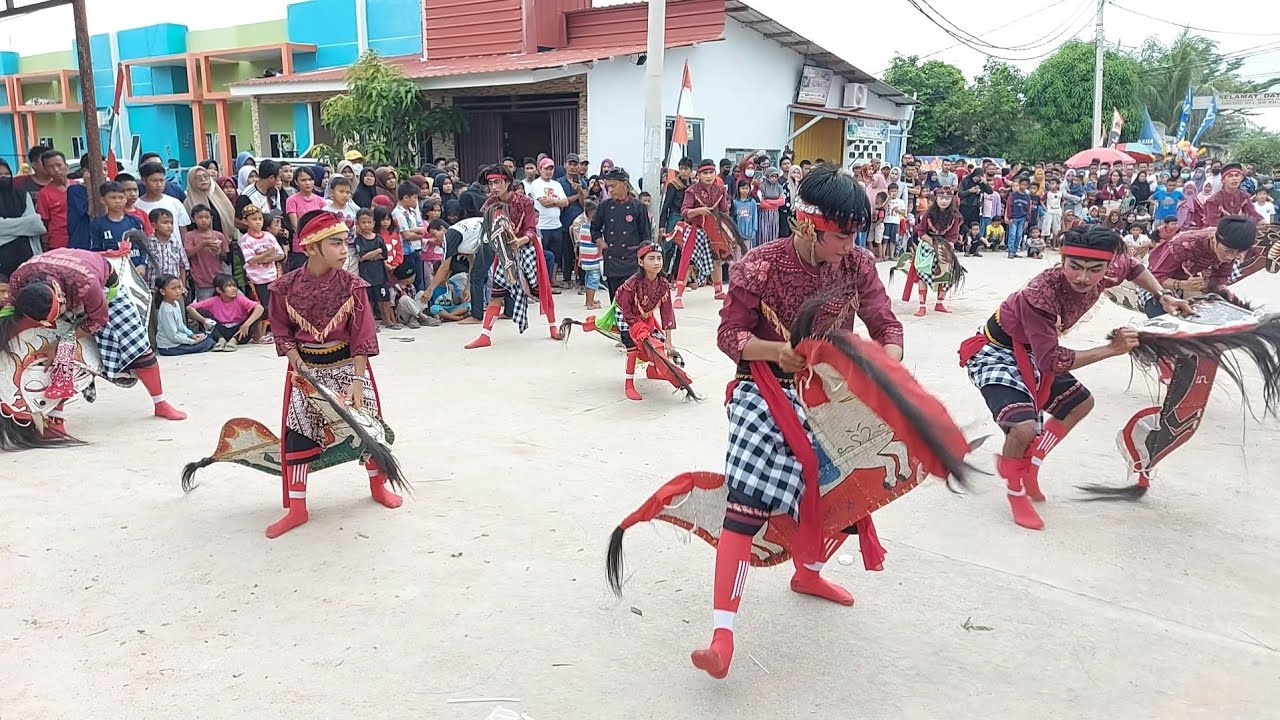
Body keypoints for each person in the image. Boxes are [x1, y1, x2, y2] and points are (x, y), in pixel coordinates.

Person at [686, 165, 903, 680]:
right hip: (763, 386)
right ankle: (722, 637)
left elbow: (885, 323)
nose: (850, 246)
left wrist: (887, 365)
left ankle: (809, 574)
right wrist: (775, 352)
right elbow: (730, 335)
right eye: (841, 235)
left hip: (830, 390)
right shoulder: (759, 266)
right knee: (747, 502)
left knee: (844, 492)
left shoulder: (858, 264)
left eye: (856, 235)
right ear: (808, 225)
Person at [958, 226, 1191, 531]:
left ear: (1108, 266)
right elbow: (1051, 361)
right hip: (999, 352)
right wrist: (1111, 349)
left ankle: (1032, 464)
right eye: (1075, 266)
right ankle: (1015, 490)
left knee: (1080, 403)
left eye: (1094, 270)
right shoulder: (1039, 295)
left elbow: (1134, 267)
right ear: (1062, 258)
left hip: (1037, 351)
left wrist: (1163, 295)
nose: (1083, 278)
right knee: (1023, 428)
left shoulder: (1110, 269)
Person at [241, 211, 403, 537]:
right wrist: (298, 366)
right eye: (336, 243)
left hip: (348, 367)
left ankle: (378, 487)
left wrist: (358, 381)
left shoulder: (353, 286)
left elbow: (362, 336)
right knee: (298, 434)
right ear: (312, 247)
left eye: (345, 243)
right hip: (305, 369)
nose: (344, 250)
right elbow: (282, 332)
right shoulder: (284, 288)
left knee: (368, 429)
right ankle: (298, 509)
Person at [1, 248, 189, 420]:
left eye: (57, 313)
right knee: (61, 357)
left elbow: (99, 319)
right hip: (69, 287)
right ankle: (56, 418)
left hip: (107, 292)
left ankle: (160, 403)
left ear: (60, 295)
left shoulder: (86, 283)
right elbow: (10, 314)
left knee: (138, 348)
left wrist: (62, 340)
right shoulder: (18, 280)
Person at [464, 164, 560, 349]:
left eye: (497, 182)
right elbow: (490, 230)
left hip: (527, 250)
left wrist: (520, 241)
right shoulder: (490, 204)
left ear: (507, 182)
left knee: (541, 290)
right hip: (505, 254)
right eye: (491, 183)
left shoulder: (526, 202)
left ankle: (553, 326)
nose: (494, 187)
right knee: (496, 293)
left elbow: (531, 230)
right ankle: (485, 335)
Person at [611, 243, 685, 401]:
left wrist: (669, 341)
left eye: (659, 258)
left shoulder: (663, 284)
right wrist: (638, 330)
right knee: (633, 346)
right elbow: (627, 311)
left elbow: (667, 313)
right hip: (625, 314)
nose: (657, 262)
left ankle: (652, 371)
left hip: (645, 314)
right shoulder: (631, 284)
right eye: (651, 259)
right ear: (640, 262)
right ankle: (629, 384)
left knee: (659, 342)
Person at [592, 167, 652, 347]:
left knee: (634, 300)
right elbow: (595, 228)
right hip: (612, 259)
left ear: (624, 184)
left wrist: (646, 260)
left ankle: (637, 334)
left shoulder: (638, 207)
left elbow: (646, 237)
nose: (610, 190)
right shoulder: (604, 207)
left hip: (632, 260)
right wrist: (601, 242)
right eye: (608, 187)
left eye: (613, 186)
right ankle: (623, 335)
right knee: (616, 299)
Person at [675, 159, 731, 305]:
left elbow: (724, 211)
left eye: (711, 172)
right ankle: (678, 296)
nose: (709, 176)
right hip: (695, 229)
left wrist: (723, 226)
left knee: (717, 259)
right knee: (688, 261)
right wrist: (699, 211)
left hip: (714, 229)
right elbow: (684, 211)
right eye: (705, 173)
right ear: (699, 175)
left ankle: (718, 290)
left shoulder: (721, 190)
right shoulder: (691, 191)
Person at [236, 204, 283, 341]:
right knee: (260, 305)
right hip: (256, 279)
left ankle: (270, 331)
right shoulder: (246, 239)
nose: (258, 222)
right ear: (245, 221)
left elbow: (280, 255)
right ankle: (259, 335)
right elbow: (251, 260)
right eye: (254, 219)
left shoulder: (268, 236)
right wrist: (268, 253)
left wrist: (262, 258)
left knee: (273, 306)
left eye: (260, 219)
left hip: (272, 276)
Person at [352, 208, 398, 329]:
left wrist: (371, 255)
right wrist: (377, 251)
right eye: (363, 222)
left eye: (369, 222)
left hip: (380, 274)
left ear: (373, 223)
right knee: (369, 300)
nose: (366, 225)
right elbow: (362, 257)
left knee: (384, 297)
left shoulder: (379, 238)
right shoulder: (359, 240)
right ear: (358, 223)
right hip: (366, 275)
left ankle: (387, 320)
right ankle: (370, 323)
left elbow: (384, 255)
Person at [530, 158, 570, 285]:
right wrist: (557, 202)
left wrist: (553, 202)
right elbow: (543, 202)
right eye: (546, 168)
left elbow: (566, 202)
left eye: (551, 169)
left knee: (556, 254)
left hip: (556, 225)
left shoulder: (557, 185)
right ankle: (542, 281)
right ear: (540, 169)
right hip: (542, 225)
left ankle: (552, 279)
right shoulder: (536, 184)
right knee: (542, 255)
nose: (548, 171)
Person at [153, 274, 214, 356]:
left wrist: (191, 334)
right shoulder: (167, 310)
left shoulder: (176, 303)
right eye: (173, 289)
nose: (178, 291)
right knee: (209, 342)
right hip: (169, 347)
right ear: (163, 292)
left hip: (178, 341)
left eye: (179, 287)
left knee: (209, 337)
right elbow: (173, 336)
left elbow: (181, 326)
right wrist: (192, 341)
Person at [136, 162, 191, 251]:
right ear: (144, 181)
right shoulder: (137, 206)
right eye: (154, 181)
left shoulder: (175, 202)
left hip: (175, 254)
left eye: (162, 180)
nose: (159, 184)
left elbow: (183, 231)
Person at [0, 170, 45, 275]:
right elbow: (30, 223)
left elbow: (36, 225)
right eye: (0, 174)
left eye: (7, 174)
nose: (3, 177)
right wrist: (25, 226)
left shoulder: (22, 195)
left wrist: (5, 229)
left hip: (27, 257)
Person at [85, 181, 144, 260]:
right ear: (103, 200)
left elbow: (144, 246)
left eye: (121, 197)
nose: (118, 201)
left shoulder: (135, 221)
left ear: (125, 199)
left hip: (136, 265)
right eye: (113, 198)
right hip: (111, 265)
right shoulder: (97, 224)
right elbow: (95, 250)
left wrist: (142, 264)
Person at [185, 205, 230, 301]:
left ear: (211, 218)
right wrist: (204, 244)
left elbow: (226, 257)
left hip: (219, 277)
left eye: (207, 217)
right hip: (201, 279)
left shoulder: (219, 235)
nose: (204, 220)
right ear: (193, 219)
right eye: (200, 217)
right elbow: (188, 254)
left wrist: (219, 251)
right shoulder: (190, 236)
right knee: (204, 304)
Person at [35, 150, 71, 251]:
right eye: (50, 167)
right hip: (58, 243)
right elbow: (44, 221)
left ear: (66, 166)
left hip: (81, 239)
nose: (56, 170)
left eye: (59, 165)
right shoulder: (44, 193)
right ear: (46, 170)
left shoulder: (78, 187)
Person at [144, 208, 188, 285]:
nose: (169, 226)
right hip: (152, 287)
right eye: (165, 223)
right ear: (154, 225)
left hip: (173, 288)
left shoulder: (176, 244)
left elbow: (182, 265)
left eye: (171, 223)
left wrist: (183, 285)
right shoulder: (147, 243)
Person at [573, 199, 602, 310]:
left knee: (588, 279)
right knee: (593, 280)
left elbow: (580, 243)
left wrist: (580, 258)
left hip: (585, 259)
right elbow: (599, 244)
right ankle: (590, 303)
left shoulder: (583, 227)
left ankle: (589, 300)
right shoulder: (595, 230)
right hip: (594, 259)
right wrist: (602, 256)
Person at [1006, 177, 1032, 257]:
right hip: (1014, 218)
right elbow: (1009, 206)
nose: (1023, 186)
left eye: (1025, 185)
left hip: (1022, 218)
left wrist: (1027, 220)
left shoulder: (1027, 197)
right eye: (1022, 184)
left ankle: (1015, 251)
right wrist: (1009, 217)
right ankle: (1010, 251)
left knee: (1019, 235)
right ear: (1019, 184)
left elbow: (1028, 209)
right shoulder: (1013, 195)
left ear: (1028, 186)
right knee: (1012, 235)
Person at [732, 180, 759, 247]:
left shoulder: (752, 202)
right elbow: (733, 218)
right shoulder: (735, 202)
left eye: (747, 188)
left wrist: (754, 230)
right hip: (738, 233)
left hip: (749, 232)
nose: (745, 190)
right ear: (739, 189)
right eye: (742, 188)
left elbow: (754, 217)